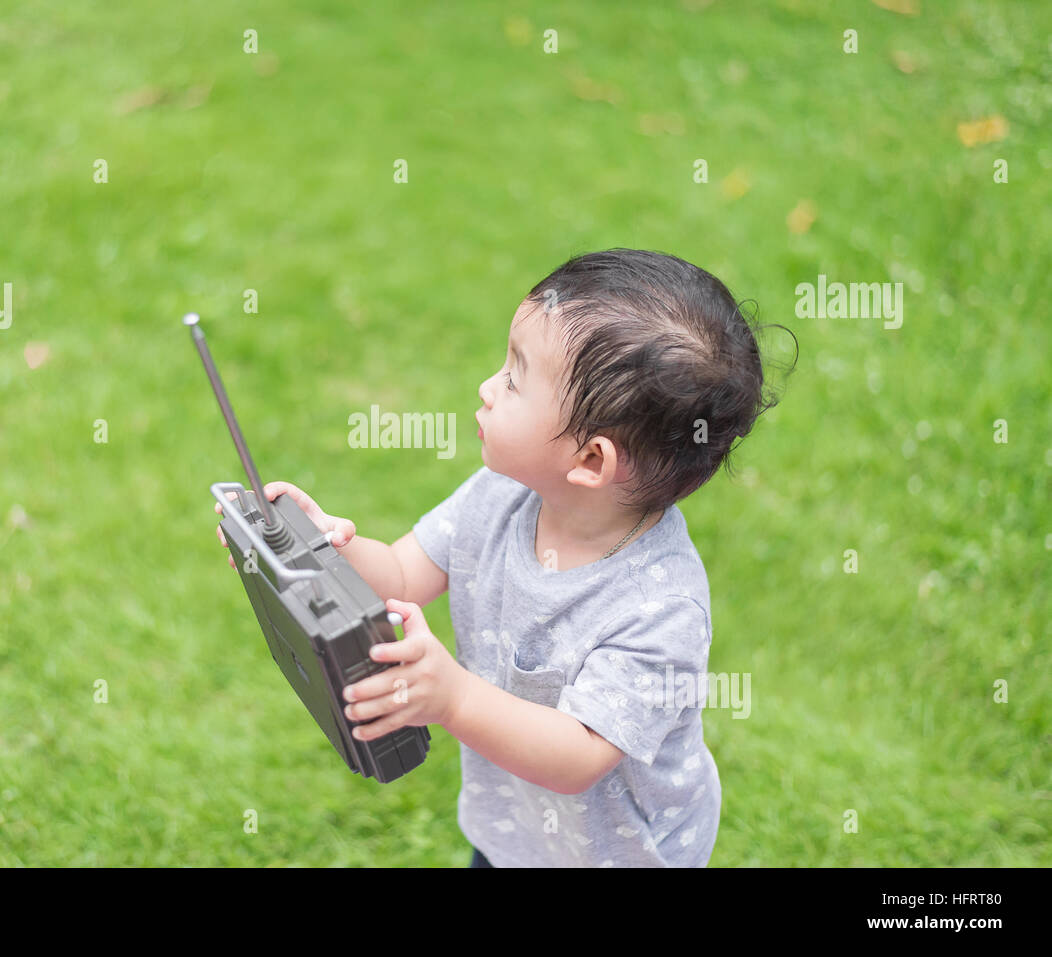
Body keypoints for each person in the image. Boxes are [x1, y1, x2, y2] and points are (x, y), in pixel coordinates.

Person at [215, 248, 788, 866]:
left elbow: (577, 758)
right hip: (513, 835)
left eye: (515, 379)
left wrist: (452, 699)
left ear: (591, 461)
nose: (487, 388)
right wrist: (325, 544)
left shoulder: (660, 606)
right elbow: (404, 573)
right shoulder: (502, 496)